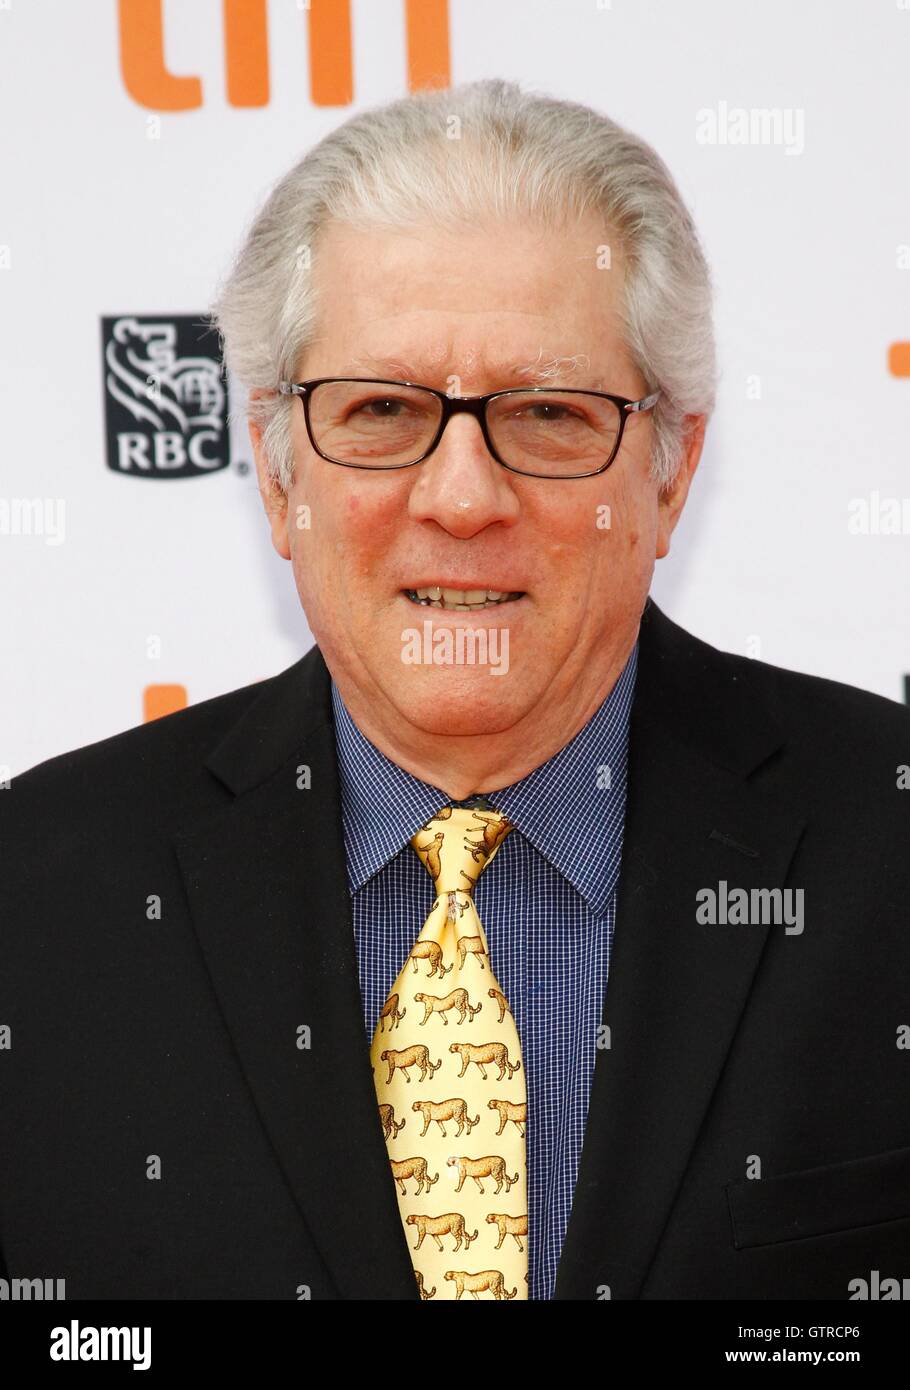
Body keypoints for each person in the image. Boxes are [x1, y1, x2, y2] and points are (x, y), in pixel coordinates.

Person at [2, 79, 908, 1302]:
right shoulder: (38, 897)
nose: (463, 497)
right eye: (380, 410)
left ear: (670, 473)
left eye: (546, 414)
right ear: (275, 474)